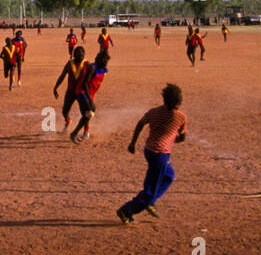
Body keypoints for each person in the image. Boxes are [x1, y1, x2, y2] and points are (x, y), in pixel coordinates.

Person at [117, 84, 187, 224]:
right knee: (150, 189)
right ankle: (126, 210)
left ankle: (151, 200)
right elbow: (182, 137)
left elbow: (140, 124)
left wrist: (133, 142)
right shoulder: (180, 117)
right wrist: (172, 138)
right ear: (179, 101)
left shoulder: (154, 112)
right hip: (161, 154)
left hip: (149, 150)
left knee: (168, 176)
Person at [70, 50, 108, 143]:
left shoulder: (104, 69)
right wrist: (90, 100)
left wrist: (91, 96)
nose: (94, 58)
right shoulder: (91, 67)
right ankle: (74, 133)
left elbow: (97, 81)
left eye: (97, 58)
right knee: (91, 110)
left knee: (86, 114)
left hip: (89, 93)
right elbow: (84, 84)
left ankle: (84, 132)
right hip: (82, 92)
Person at [53, 46, 89, 131]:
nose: (80, 54)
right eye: (78, 53)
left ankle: (86, 130)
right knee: (64, 111)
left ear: (84, 54)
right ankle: (68, 122)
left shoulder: (87, 64)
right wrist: (56, 87)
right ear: (74, 55)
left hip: (82, 92)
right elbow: (62, 75)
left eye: (82, 53)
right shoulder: (69, 64)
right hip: (71, 91)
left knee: (85, 112)